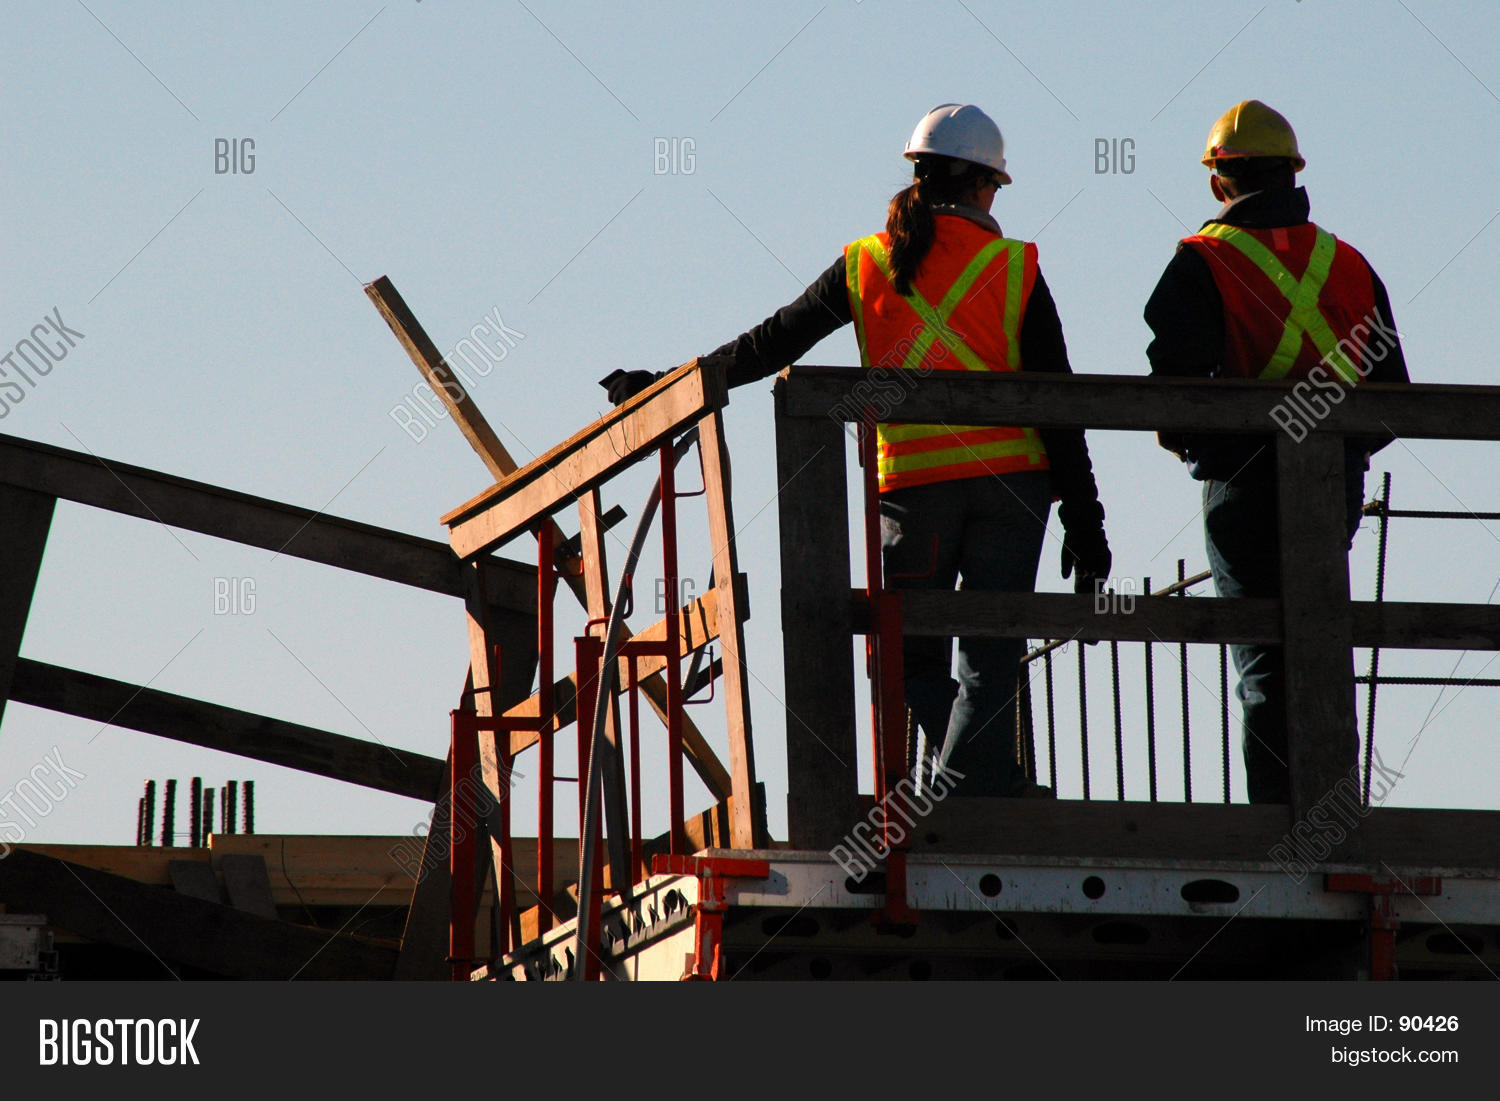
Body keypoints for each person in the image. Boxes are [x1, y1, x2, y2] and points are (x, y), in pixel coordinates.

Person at [607, 104, 1111, 797]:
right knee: (992, 653)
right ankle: (980, 789)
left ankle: (975, 790)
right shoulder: (1015, 266)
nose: (996, 199)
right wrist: (1087, 521)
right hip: (1012, 487)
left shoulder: (867, 263)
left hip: (914, 493)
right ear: (976, 183)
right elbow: (1061, 402)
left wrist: (668, 384)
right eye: (996, 185)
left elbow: (769, 344)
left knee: (907, 654)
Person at [1144, 99, 1409, 804]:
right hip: (1333, 489)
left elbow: (1176, 400)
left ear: (1217, 182)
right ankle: (1331, 813)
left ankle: (1276, 826)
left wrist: (1216, 455)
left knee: (1264, 658)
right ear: (1293, 174)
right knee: (1322, 647)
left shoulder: (1200, 261)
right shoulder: (1349, 263)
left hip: (1243, 489)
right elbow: (1393, 399)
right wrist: (1337, 448)